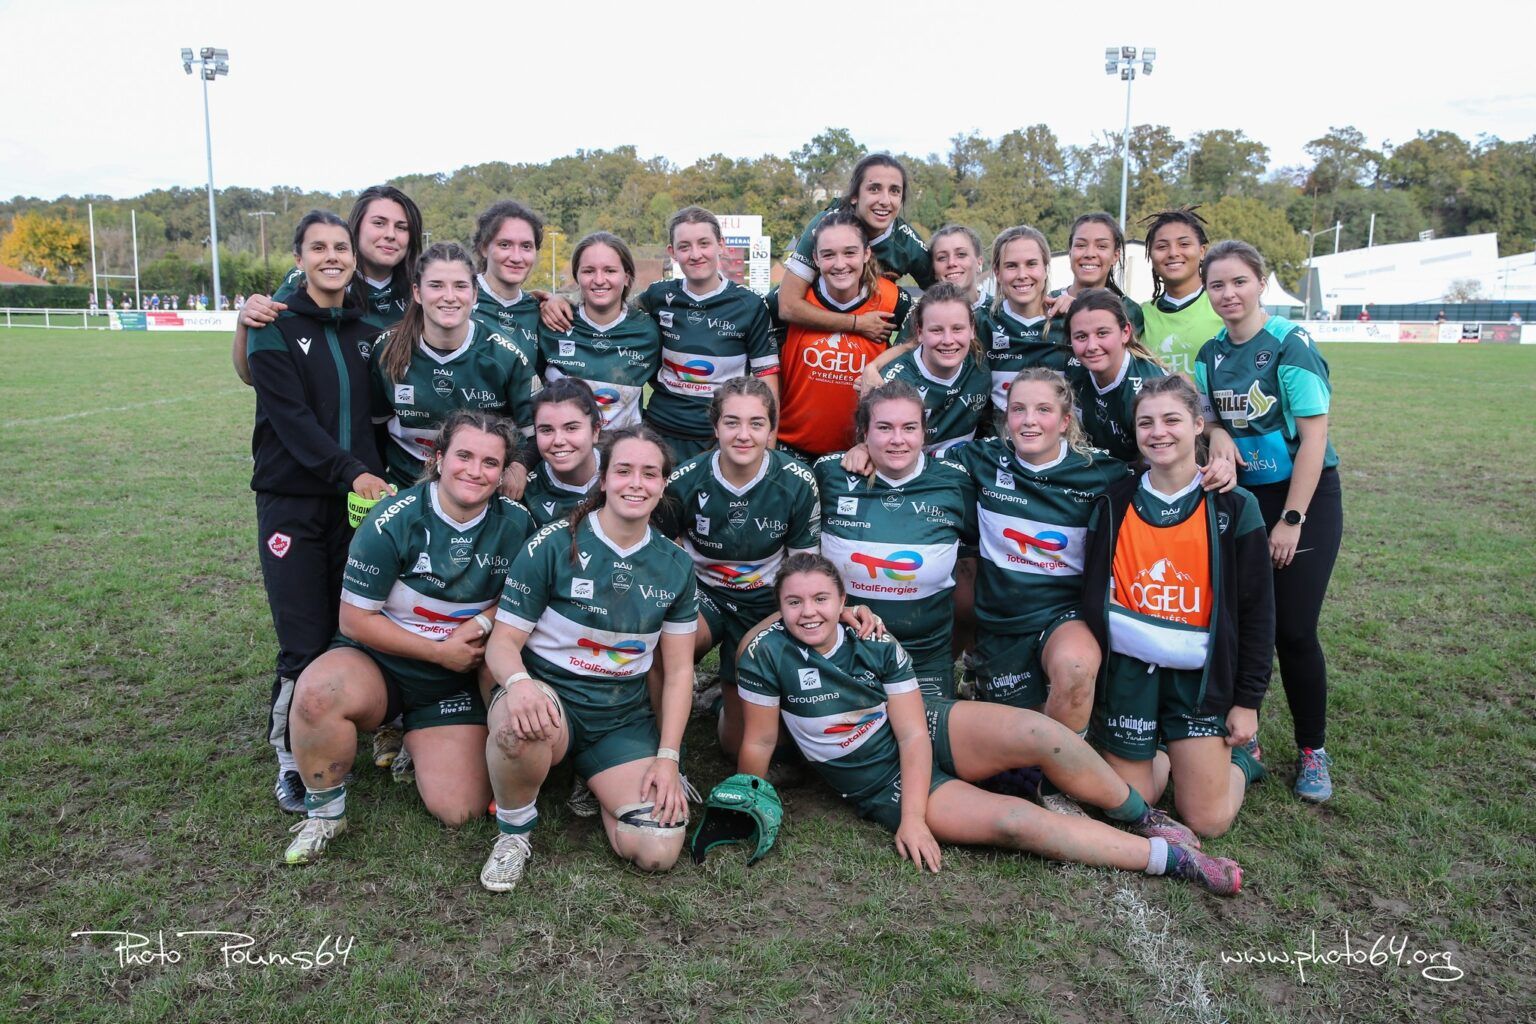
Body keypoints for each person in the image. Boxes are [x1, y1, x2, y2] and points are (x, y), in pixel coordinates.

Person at [734, 553, 1242, 895]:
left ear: (844, 602)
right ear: (778, 610)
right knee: (1014, 823)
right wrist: (749, 794)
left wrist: (915, 819)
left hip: (925, 730)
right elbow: (758, 738)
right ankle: (1168, 860)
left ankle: (1139, 814)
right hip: (878, 781)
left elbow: (913, 734)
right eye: (793, 602)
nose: (808, 613)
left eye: (821, 599)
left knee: (1039, 731)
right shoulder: (766, 653)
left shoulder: (875, 641)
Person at [282, 413, 534, 863]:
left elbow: (528, 598)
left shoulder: (515, 523)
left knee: (460, 809)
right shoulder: (392, 520)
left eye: (490, 462)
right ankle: (325, 813)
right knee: (317, 694)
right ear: (438, 459)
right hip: (382, 664)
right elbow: (354, 620)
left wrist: (479, 625)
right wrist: (439, 652)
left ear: (503, 473)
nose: (475, 471)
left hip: (452, 683)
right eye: (463, 456)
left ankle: (414, 740)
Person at [480, 426, 699, 892]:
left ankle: (597, 776)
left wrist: (668, 758)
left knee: (657, 850)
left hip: (620, 716)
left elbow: (679, 672)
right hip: (550, 700)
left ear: (663, 486)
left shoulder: (676, 566)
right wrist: (518, 686)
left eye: (649, 473)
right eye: (623, 471)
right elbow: (501, 643)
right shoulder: (554, 543)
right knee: (519, 730)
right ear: (603, 478)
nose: (635, 483)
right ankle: (514, 833)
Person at [1081, 376, 1274, 836]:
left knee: (1207, 821)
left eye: (1172, 420)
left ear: (1198, 423)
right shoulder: (1114, 501)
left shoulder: (1233, 505)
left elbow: (1257, 613)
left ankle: (1241, 763)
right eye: (1145, 422)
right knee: (1133, 801)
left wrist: (1247, 702)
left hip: (1200, 682)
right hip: (1131, 674)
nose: (1158, 432)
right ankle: (1165, 749)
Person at [247, 210, 388, 813]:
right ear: (299, 257)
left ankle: (341, 732)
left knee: (346, 626)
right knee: (301, 637)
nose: (332, 256)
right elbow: (294, 425)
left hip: (354, 507)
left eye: (341, 247)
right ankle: (290, 761)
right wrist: (352, 471)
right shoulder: (272, 325)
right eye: (318, 248)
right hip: (293, 503)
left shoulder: (365, 330)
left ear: (354, 257)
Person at [1196, 240, 1343, 802]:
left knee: (1294, 629)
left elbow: (1314, 439)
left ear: (1261, 282)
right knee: (1236, 617)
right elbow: (1211, 420)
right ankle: (1243, 735)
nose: (1228, 294)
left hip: (1302, 498)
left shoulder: (1290, 344)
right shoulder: (1210, 352)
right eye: (1217, 285)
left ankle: (1312, 748)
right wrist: (1221, 436)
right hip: (1244, 500)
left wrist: (1292, 519)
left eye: (1239, 282)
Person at [541, 207, 780, 461]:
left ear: (721, 245)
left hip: (719, 435)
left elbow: (768, 384)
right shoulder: (657, 296)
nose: (695, 254)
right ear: (672, 252)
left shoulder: (750, 305)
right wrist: (555, 299)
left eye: (704, 243)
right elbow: (611, 307)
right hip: (660, 432)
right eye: (685, 246)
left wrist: (770, 455)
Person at [659, 377, 820, 754]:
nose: (743, 435)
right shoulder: (685, 480)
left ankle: (719, 696)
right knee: (664, 644)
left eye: (756, 423)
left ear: (771, 429)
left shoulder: (797, 482)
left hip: (764, 600)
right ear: (715, 426)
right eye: (732, 422)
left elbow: (801, 573)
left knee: (737, 745)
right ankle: (658, 738)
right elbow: (664, 554)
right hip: (705, 594)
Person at [816, 381, 974, 698]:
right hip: (843, 645)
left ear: (924, 432)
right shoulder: (829, 474)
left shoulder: (956, 481)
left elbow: (974, 564)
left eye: (909, 428)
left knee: (925, 743)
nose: (898, 440)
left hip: (924, 653)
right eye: (884, 427)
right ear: (864, 432)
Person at [369, 241, 540, 489]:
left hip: (478, 488)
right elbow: (373, 429)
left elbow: (535, 434)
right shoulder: (387, 350)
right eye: (436, 285)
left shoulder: (505, 356)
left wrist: (519, 466)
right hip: (407, 486)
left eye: (460, 286)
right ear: (417, 292)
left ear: (474, 294)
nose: (449, 297)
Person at [233, 185, 423, 385]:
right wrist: (244, 323)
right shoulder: (304, 282)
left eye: (402, 227)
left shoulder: (422, 292)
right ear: (356, 228)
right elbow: (251, 375)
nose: (391, 234)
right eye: (379, 223)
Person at [772, 210, 913, 461]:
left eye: (850, 252)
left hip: (860, 453)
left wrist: (875, 366)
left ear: (866, 253)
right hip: (791, 448)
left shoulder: (893, 300)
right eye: (828, 255)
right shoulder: (789, 299)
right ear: (815, 258)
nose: (840, 264)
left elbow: (916, 345)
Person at [777, 155, 934, 345]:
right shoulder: (825, 225)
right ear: (854, 196)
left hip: (869, 347)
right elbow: (787, 305)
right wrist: (857, 323)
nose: (885, 200)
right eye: (874, 189)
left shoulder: (908, 244)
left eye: (894, 191)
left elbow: (945, 296)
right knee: (768, 301)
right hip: (813, 341)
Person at [536, 231, 659, 432]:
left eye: (610, 271)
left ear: (626, 277)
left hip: (621, 456)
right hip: (564, 451)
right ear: (577, 276)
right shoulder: (553, 321)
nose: (599, 280)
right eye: (588, 271)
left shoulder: (648, 331)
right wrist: (543, 298)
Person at [972, 226, 1067, 438]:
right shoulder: (980, 322)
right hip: (999, 448)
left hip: (1058, 448)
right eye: (1012, 266)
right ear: (997, 272)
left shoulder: (1070, 322)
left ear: (1045, 268)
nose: (1022, 275)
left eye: (1031, 264)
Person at [874, 282, 990, 452]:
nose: (948, 340)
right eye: (936, 330)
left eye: (957, 329)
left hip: (962, 467)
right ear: (919, 332)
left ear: (972, 329)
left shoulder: (981, 364)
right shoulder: (894, 383)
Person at [1066, 288, 1169, 461]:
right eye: (1081, 337)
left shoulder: (1149, 388)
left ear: (1125, 332)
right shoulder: (1074, 371)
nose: (1092, 346)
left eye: (1102, 333)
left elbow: (1163, 462)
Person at [1138, 207, 1224, 376]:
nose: (1173, 253)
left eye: (1184, 244)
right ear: (1151, 255)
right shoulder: (1139, 315)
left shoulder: (1224, 305)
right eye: (1162, 246)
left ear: (1202, 251)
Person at [1045, 212, 1146, 337]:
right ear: (1070, 252)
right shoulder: (1048, 305)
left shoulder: (1130, 311)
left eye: (1101, 246)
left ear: (1115, 256)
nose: (1090, 253)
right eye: (1081, 245)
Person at [521, 378, 604, 528]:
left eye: (571, 428)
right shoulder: (525, 491)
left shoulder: (622, 473)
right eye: (546, 430)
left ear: (595, 431)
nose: (558, 441)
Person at [470, 200, 545, 360]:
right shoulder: (458, 297)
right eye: (505, 245)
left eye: (526, 246)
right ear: (483, 248)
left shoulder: (538, 311)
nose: (516, 257)